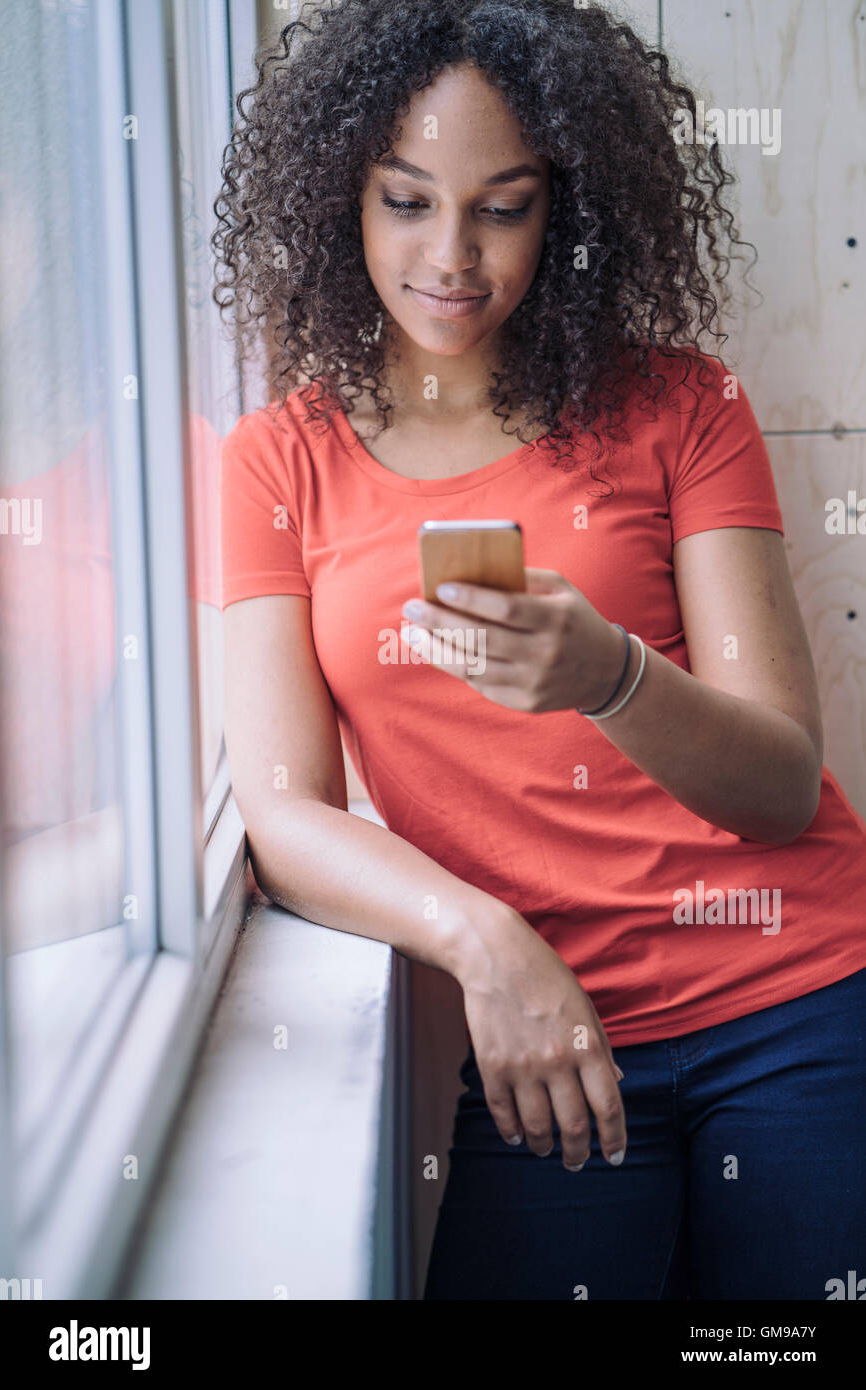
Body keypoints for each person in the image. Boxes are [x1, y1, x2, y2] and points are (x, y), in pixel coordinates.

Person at [213, 0, 866, 1300]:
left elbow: (782, 783)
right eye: (407, 200)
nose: (451, 255)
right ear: (343, 192)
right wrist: (485, 938)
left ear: (564, 205)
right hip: (542, 1033)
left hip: (799, 997)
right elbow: (282, 811)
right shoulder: (278, 460)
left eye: (501, 206)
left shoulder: (686, 404)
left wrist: (610, 677)